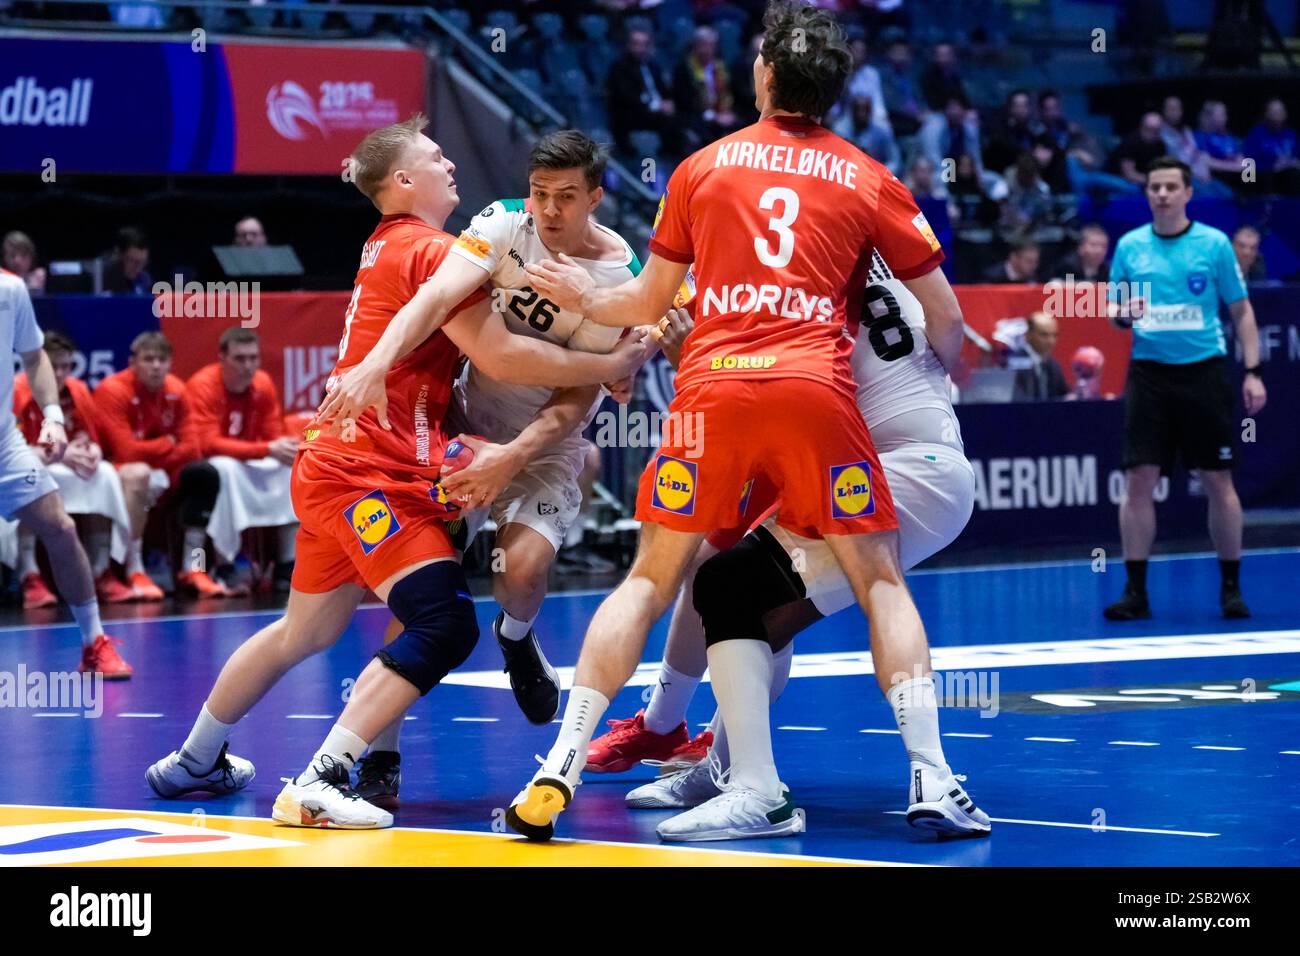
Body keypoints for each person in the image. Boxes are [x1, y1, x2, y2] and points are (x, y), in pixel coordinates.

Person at [512, 0, 984, 843]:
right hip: (823, 396)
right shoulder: (869, 185)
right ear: (841, 90)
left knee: (662, 579)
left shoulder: (701, 167)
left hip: (719, 389)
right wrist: (941, 374)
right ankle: (924, 775)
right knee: (819, 583)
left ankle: (566, 764)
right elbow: (951, 328)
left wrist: (583, 295)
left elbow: (647, 301)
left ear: (762, 72)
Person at [143, 114, 646, 825]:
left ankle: (196, 757)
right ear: (404, 181)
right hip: (373, 466)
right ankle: (323, 776)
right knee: (442, 623)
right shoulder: (433, 248)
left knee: (305, 632)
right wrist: (610, 362)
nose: (450, 164)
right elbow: (498, 356)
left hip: (343, 461)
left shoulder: (390, 242)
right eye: (436, 157)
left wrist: (632, 328)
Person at [590, 253, 982, 844]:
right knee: (750, 601)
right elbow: (948, 326)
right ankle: (729, 769)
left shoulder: (792, 278)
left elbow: (748, 394)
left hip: (889, 471)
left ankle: (768, 791)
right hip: (917, 462)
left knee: (727, 583)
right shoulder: (865, 257)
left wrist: (676, 358)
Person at [316, 130, 646, 800]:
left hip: (544, 443)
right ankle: (381, 754)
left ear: (596, 198)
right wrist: (377, 360)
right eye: (539, 194)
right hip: (461, 428)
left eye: (566, 198)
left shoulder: (617, 277)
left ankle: (516, 636)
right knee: (423, 589)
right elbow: (434, 298)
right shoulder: (502, 223)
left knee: (521, 571)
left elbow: (577, 395)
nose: (548, 211)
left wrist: (517, 455)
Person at [1105, 156, 1266, 621]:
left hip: (1204, 373)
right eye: (1154, 186)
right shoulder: (1130, 247)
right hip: (1150, 375)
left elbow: (1241, 312)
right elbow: (1115, 314)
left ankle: (1231, 588)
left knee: (1218, 479)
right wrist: (1124, 313)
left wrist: (1253, 370)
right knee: (1139, 478)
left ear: (1188, 193)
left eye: (1171, 187)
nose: (1161, 194)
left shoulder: (1214, 245)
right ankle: (1135, 591)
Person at [0, 267, 130, 676]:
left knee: (61, 528)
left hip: (4, 444)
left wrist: (53, 416)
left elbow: (34, 356)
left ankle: (94, 643)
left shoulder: (10, 287)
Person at [92, 332, 220, 599]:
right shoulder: (113, 390)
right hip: (116, 470)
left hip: (163, 470)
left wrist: (157, 451)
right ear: (133, 362)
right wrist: (168, 443)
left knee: (203, 473)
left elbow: (192, 448)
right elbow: (125, 451)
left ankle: (193, 567)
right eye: (148, 359)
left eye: (162, 360)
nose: (156, 366)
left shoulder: (176, 389)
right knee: (139, 474)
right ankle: (134, 567)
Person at [13, 332, 135, 608]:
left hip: (64, 464)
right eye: (52, 366)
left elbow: (91, 437)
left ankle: (102, 570)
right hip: (28, 464)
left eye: (65, 366)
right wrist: (56, 454)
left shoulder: (77, 390)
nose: (58, 374)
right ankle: (29, 574)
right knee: (27, 477)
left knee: (103, 474)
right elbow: (9, 449)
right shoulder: (16, 390)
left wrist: (91, 450)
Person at [185, 327, 299, 593]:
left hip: (247, 457)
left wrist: (277, 449)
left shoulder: (263, 383)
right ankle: (223, 564)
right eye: (240, 358)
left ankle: (287, 563)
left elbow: (273, 435)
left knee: (288, 466)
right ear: (222, 358)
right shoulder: (203, 385)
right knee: (224, 470)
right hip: (209, 464)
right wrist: (266, 449)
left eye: (253, 358)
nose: (248, 366)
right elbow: (207, 443)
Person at [606, 27, 677, 155]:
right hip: (634, 114)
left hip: (656, 113)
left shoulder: (653, 66)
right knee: (674, 126)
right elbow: (627, 98)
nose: (641, 48)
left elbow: (664, 91)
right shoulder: (620, 68)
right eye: (636, 44)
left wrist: (668, 103)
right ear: (628, 45)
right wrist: (656, 106)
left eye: (644, 44)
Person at [1242, 99, 1300, 195]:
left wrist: (1292, 163)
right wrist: (1272, 166)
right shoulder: (1257, 133)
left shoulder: (1291, 135)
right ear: (1267, 114)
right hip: (1265, 176)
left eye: (1280, 111)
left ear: (1285, 114)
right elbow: (1248, 162)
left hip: (1289, 175)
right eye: (1273, 111)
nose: (1277, 115)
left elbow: (1297, 158)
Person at [1010, 310, 1069, 402]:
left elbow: (1064, 395)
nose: (1051, 341)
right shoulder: (1014, 363)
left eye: (1054, 335)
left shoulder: (1054, 366)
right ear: (1028, 335)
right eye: (1044, 335)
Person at [1108, 113, 1171, 188]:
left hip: (1144, 180)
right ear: (1141, 127)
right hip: (1117, 178)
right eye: (1149, 129)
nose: (1153, 133)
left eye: (1157, 130)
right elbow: (1129, 174)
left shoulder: (1161, 146)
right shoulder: (1130, 142)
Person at [102, 227, 152, 295]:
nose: (138, 267)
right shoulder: (100, 280)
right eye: (132, 260)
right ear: (119, 254)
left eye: (142, 262)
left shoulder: (145, 280)